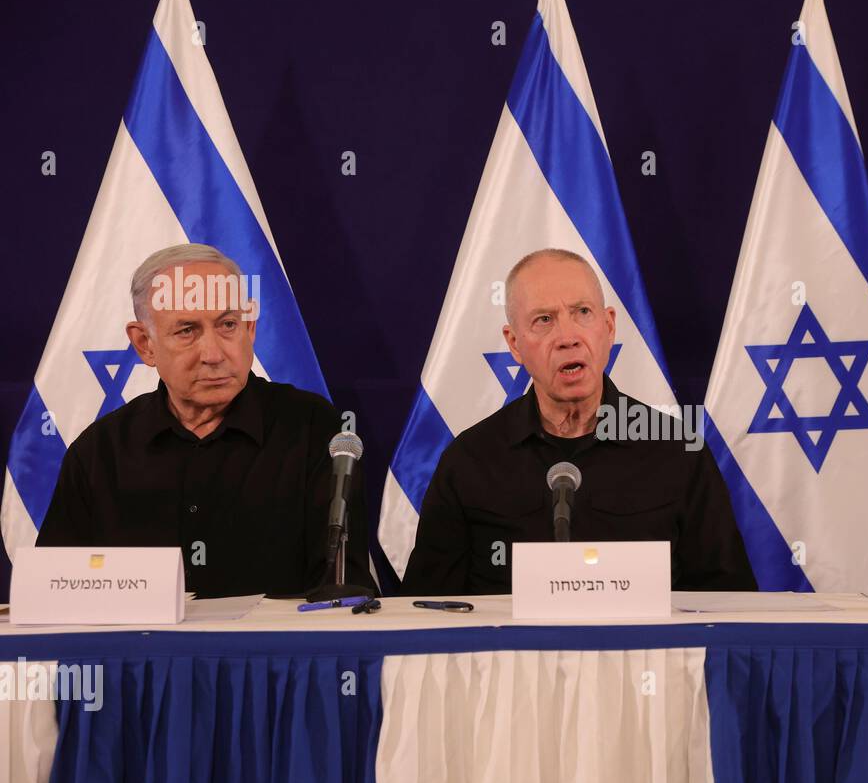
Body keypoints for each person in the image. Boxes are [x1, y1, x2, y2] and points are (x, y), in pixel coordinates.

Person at [401, 248, 756, 594]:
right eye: (544, 320)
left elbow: (728, 601)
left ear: (609, 326)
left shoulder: (677, 450)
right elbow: (425, 610)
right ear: (514, 344)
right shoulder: (471, 460)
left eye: (582, 312)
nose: (568, 338)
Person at [37, 243, 371, 598]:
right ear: (144, 344)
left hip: (274, 653)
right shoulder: (99, 453)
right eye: (187, 331)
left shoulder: (313, 430)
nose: (213, 355)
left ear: (251, 329)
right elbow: (56, 595)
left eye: (228, 325)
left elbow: (340, 593)